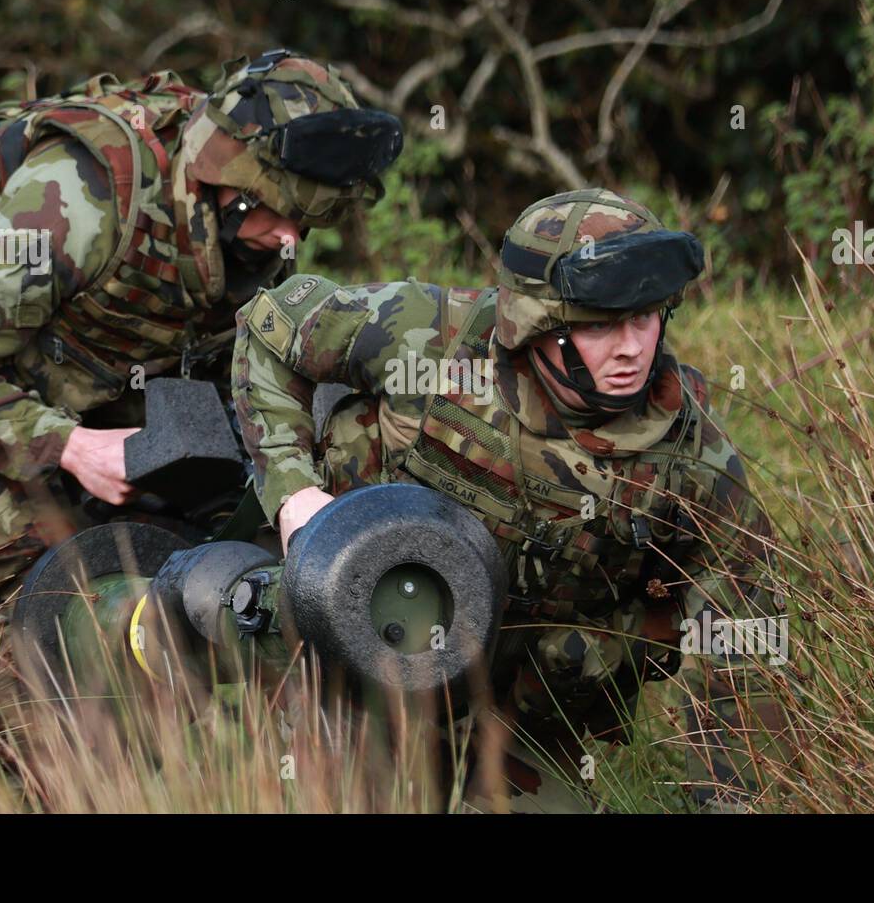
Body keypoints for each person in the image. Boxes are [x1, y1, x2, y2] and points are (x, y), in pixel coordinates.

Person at [0, 49, 403, 744]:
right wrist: (69, 447)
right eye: (282, 214)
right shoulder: (75, 203)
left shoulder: (250, 231)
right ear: (231, 182)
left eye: (307, 222)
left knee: (186, 541)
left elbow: (238, 356)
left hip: (84, 352)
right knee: (54, 580)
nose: (291, 239)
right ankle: (25, 768)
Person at [232, 187, 796, 811]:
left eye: (645, 317)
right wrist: (293, 493)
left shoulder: (694, 465)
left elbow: (746, 642)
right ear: (536, 323)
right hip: (353, 654)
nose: (634, 347)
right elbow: (272, 325)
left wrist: (727, 800)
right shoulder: (431, 337)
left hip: (515, 720)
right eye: (603, 324)